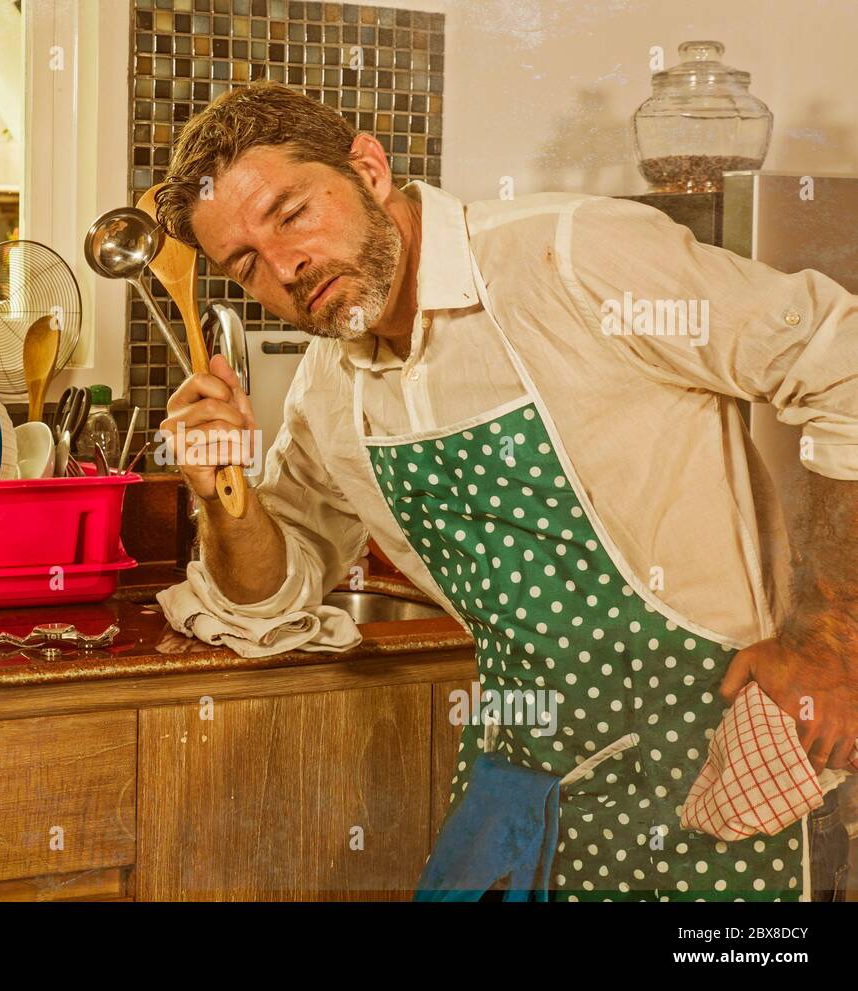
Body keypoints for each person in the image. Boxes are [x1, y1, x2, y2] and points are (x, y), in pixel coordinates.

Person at [152, 80, 857, 902]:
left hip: (718, 765)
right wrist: (220, 487)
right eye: (245, 264)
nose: (285, 266)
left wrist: (832, 636)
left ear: (369, 169)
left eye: (292, 212)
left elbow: (837, 358)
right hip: (518, 785)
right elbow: (271, 595)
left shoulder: (570, 256)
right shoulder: (326, 392)